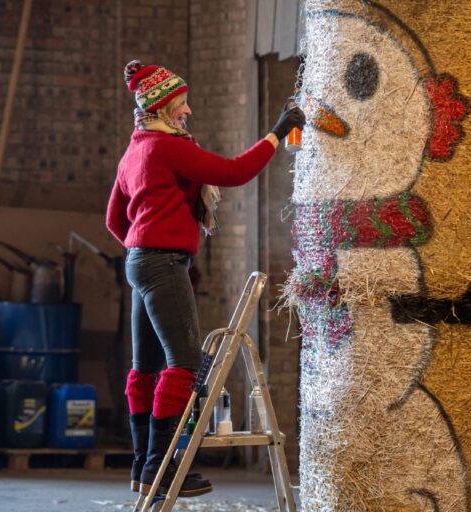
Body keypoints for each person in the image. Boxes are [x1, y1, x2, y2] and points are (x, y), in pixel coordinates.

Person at [106, 60, 305, 498]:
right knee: (186, 364)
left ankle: (143, 469)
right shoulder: (165, 146)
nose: (189, 111)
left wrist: (143, 246)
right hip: (160, 262)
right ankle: (163, 470)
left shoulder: (133, 150)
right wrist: (277, 132)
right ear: (160, 107)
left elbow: (113, 220)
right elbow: (233, 173)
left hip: (140, 262)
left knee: (145, 368)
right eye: (181, 103)